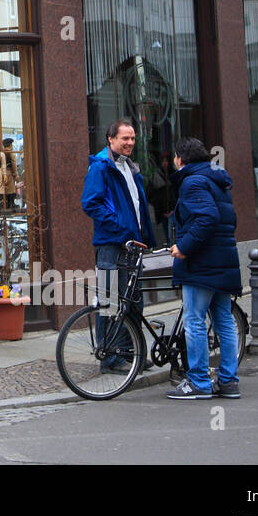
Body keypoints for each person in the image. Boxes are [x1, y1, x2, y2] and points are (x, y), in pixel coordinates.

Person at [167, 137, 242, 399]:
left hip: (201, 263)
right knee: (223, 319)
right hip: (222, 259)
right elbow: (228, 219)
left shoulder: (192, 182)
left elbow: (207, 217)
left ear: (180, 159)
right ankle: (229, 381)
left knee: (195, 320)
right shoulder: (215, 179)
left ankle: (198, 381)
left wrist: (184, 247)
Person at [80, 119, 157, 372]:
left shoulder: (130, 167)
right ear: (111, 139)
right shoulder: (101, 166)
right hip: (112, 245)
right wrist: (120, 228)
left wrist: (144, 236)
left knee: (132, 302)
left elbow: (137, 205)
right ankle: (111, 358)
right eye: (125, 138)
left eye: (132, 138)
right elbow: (91, 203)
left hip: (132, 246)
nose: (130, 143)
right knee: (110, 302)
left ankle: (131, 354)